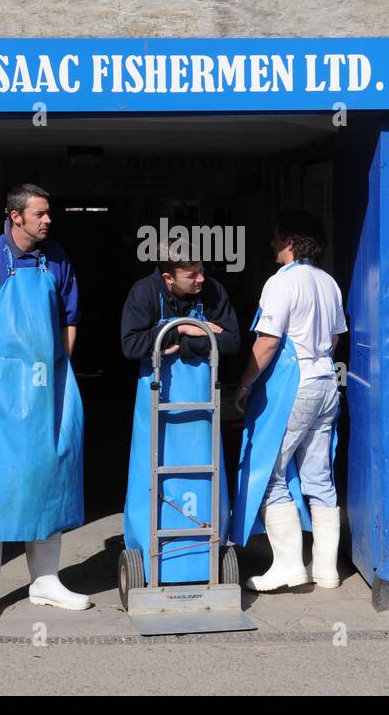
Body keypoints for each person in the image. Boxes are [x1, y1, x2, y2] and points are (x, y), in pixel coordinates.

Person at [0, 183, 90, 620]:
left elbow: (70, 318)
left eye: (49, 213)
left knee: (50, 476)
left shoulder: (57, 256)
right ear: (15, 216)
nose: (48, 220)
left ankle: (46, 582)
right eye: (40, 213)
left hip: (50, 387)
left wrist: (59, 366)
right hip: (3, 392)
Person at [231, 211, 347, 591]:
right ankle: (327, 571)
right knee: (320, 477)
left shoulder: (280, 284)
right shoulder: (328, 282)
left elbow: (267, 341)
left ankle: (288, 567)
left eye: (276, 237)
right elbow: (332, 340)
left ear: (290, 242)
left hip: (293, 388)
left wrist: (245, 383)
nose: (271, 244)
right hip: (327, 383)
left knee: (270, 474)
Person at [120, 248, 240, 583]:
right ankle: (150, 552)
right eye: (193, 275)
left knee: (206, 472)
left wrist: (183, 343)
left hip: (202, 405)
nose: (202, 279)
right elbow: (131, 345)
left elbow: (231, 341)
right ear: (168, 277)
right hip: (158, 403)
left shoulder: (213, 291)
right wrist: (187, 330)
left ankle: (207, 551)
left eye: (202, 270)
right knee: (153, 473)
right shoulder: (143, 294)